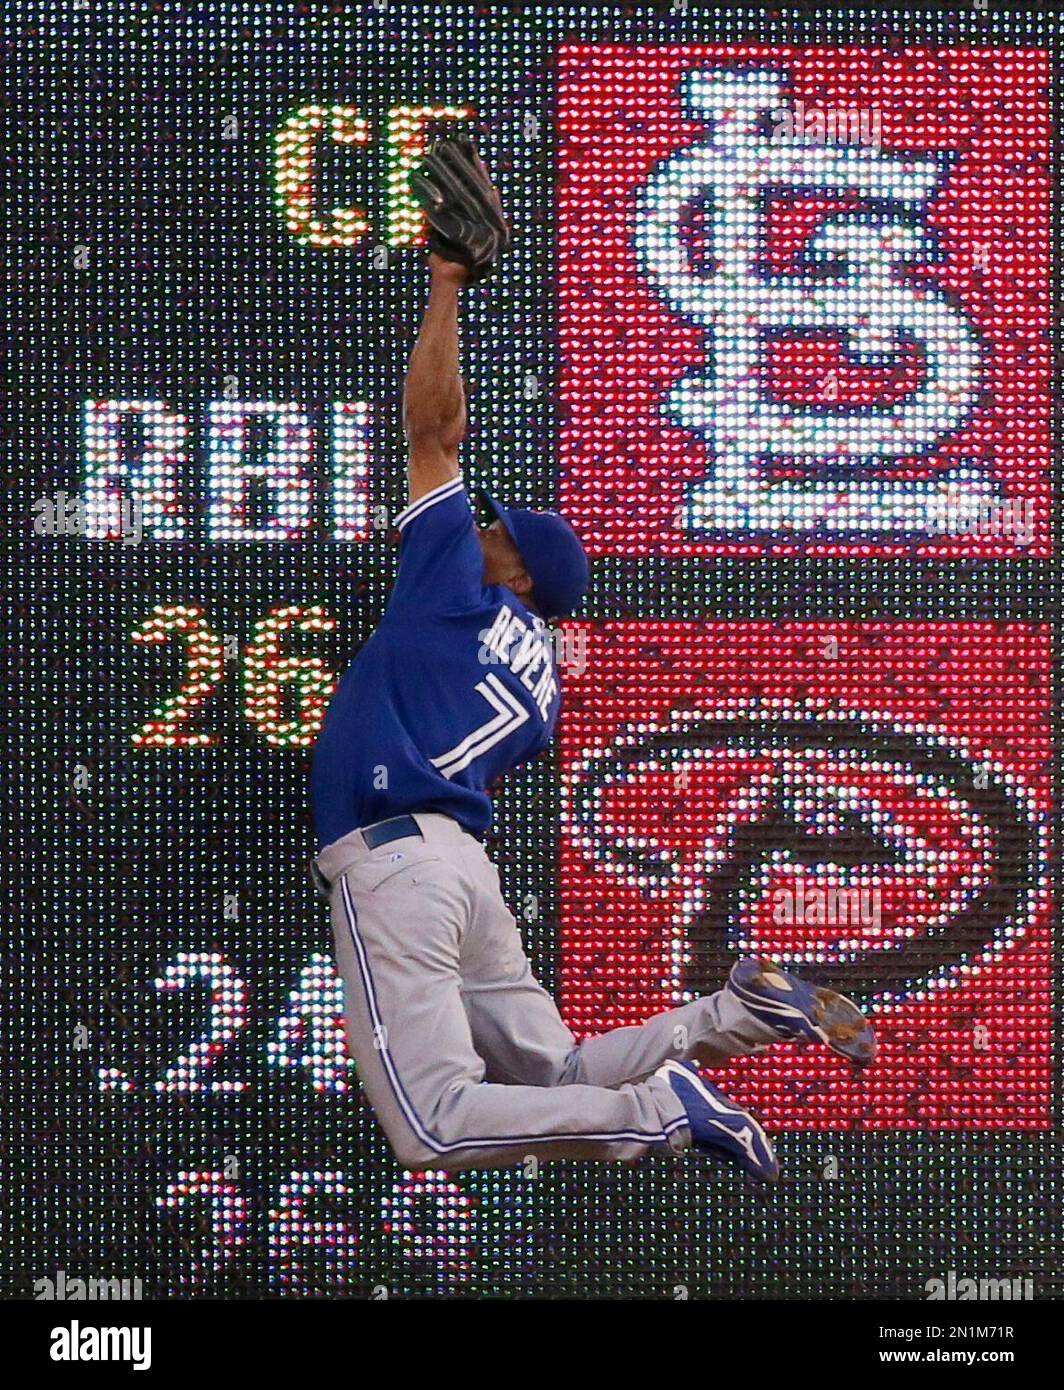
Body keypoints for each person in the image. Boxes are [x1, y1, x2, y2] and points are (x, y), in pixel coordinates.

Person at [308, 169, 875, 1182]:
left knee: (431, 1123)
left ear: (519, 573)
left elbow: (431, 429)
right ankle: (734, 1014)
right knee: (557, 1070)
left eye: (497, 532)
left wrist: (446, 285)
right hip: (464, 872)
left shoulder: (457, 585)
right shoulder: (543, 684)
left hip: (399, 861)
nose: (480, 527)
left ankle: (662, 1108)